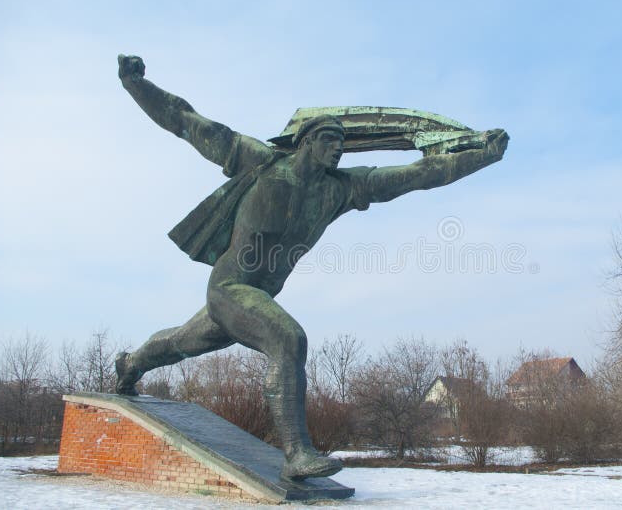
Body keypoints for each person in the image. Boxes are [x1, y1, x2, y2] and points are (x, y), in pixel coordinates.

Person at [114, 54, 509, 480]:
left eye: (341, 142)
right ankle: (297, 453)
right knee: (288, 339)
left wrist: (483, 155)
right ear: (305, 141)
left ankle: (130, 364)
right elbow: (187, 121)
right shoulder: (260, 161)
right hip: (230, 287)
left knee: (179, 342)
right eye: (328, 139)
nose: (338, 148)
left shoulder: (341, 189)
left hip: (256, 297)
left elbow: (421, 174)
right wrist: (135, 83)